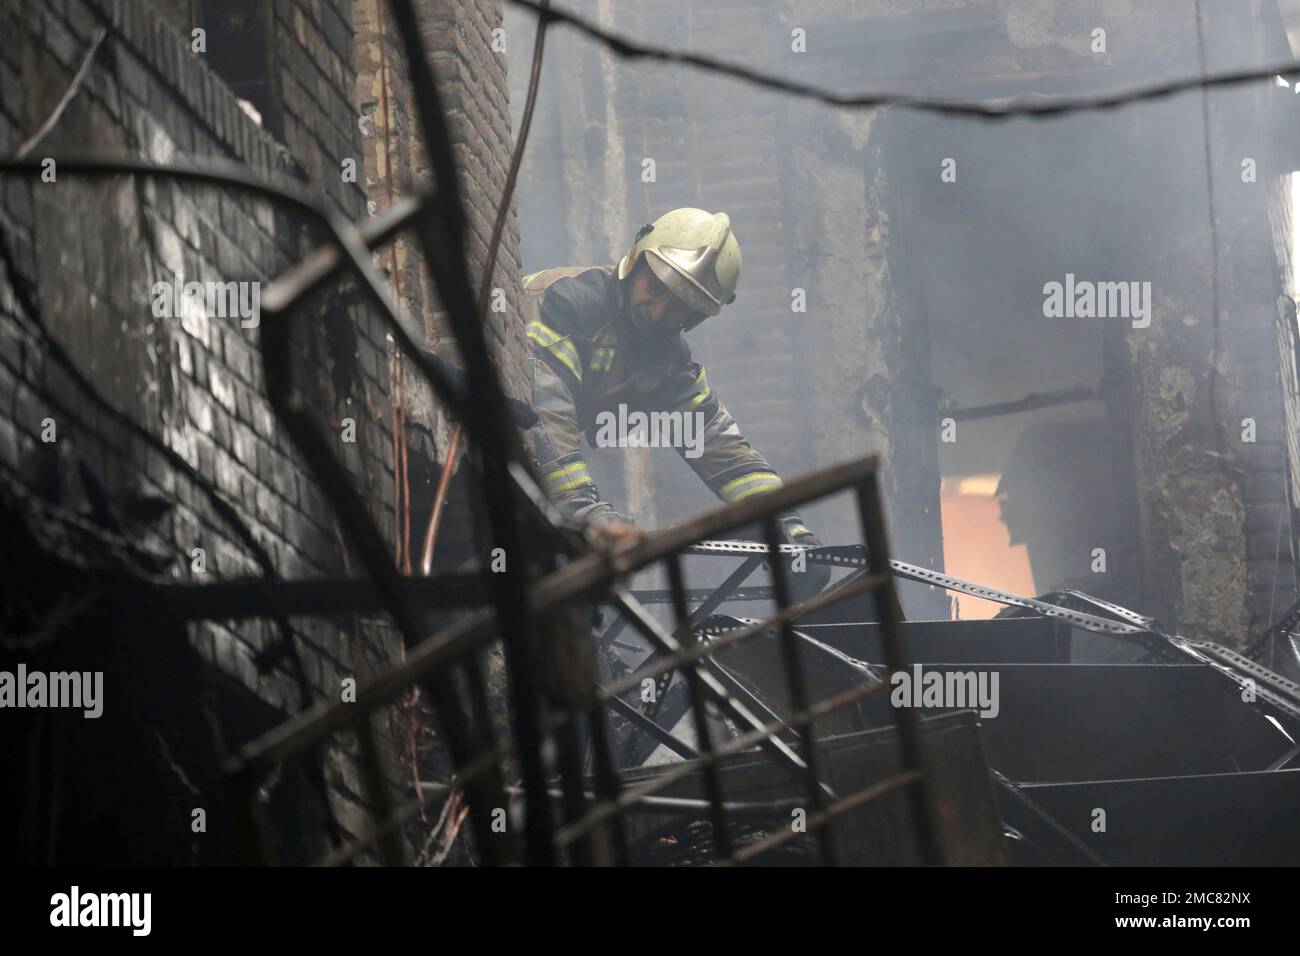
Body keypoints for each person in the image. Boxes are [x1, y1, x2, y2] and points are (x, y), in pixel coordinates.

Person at [522, 207, 826, 593]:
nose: (659, 312)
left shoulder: (665, 360)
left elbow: (718, 443)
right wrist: (583, 509)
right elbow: (545, 413)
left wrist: (784, 526)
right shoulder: (569, 302)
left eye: (680, 306)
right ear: (636, 260)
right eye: (657, 288)